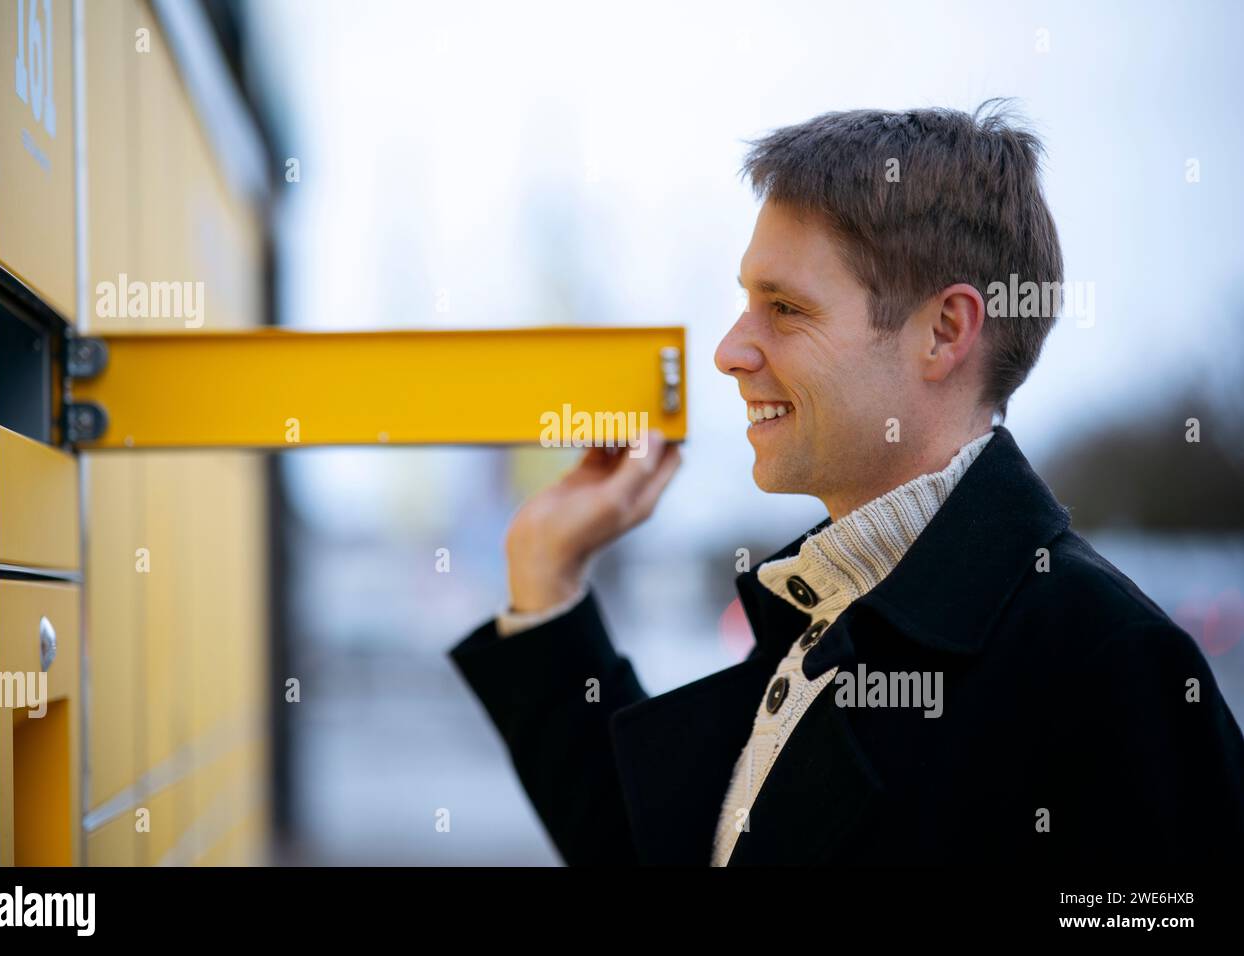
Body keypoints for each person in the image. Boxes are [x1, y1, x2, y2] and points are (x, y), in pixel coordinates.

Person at [448, 101, 1244, 865]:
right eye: (747, 301)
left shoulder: (1108, 663)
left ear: (944, 331)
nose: (729, 350)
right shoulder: (830, 611)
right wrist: (545, 573)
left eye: (786, 308)